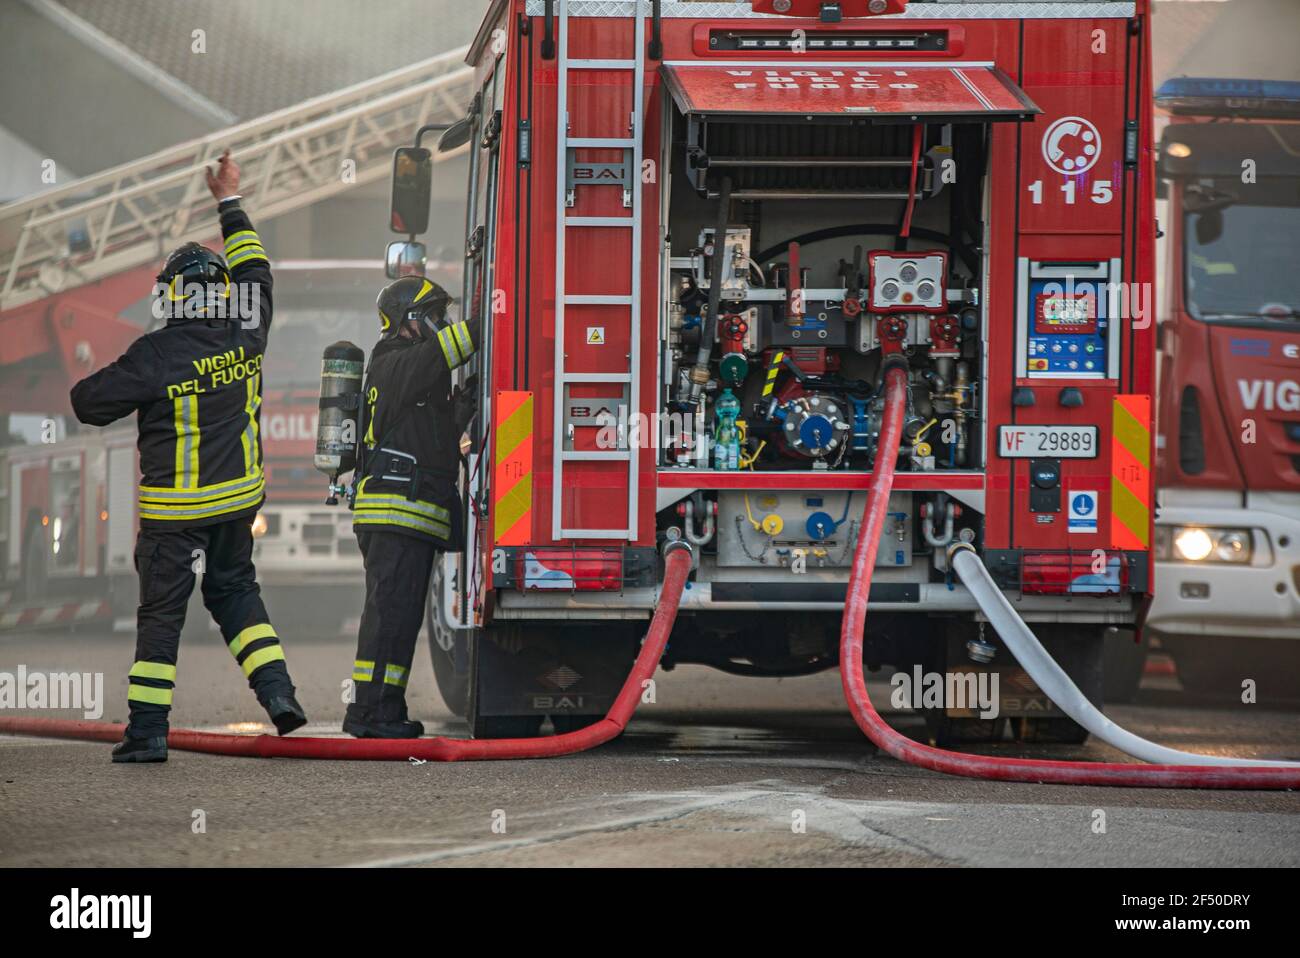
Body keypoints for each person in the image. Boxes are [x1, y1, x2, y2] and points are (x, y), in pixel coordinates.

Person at [70, 150, 307, 763]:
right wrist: (229, 200)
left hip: (174, 513)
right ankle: (280, 697)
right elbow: (257, 271)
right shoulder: (246, 329)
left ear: (172, 298)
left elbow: (87, 404)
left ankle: (148, 734)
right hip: (236, 504)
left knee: (162, 619)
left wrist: (124, 380)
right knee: (236, 596)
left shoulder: (154, 355)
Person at [344, 276, 477, 738]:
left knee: (398, 618)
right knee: (388, 616)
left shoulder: (413, 377)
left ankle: (386, 709)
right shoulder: (394, 363)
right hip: (393, 514)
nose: (442, 325)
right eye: (436, 317)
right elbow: (445, 351)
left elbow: (424, 438)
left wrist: (458, 414)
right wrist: (499, 315)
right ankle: (367, 714)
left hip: (407, 516)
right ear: (410, 322)